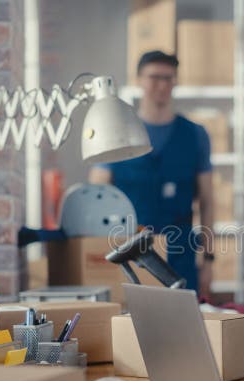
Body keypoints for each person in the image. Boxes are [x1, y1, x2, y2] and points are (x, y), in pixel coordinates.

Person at [90, 50, 214, 297]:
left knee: (183, 327)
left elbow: (208, 202)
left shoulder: (195, 135)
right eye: (155, 77)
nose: (162, 85)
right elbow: (96, 197)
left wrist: (209, 260)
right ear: (139, 79)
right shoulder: (118, 132)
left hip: (180, 255)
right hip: (131, 256)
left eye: (169, 78)